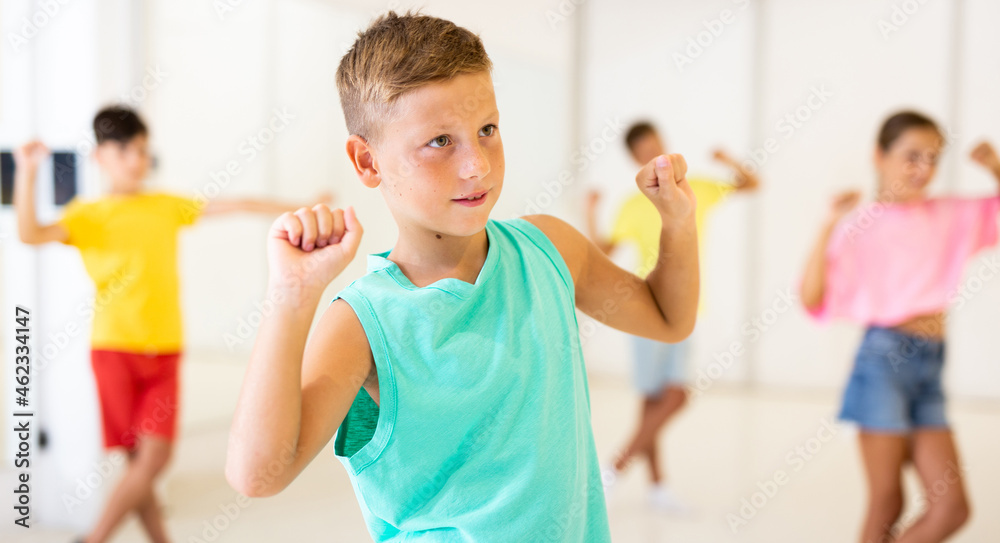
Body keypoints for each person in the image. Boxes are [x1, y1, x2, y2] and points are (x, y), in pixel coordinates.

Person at [225, 12, 700, 541]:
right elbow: (258, 475)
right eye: (440, 142)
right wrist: (293, 297)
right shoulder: (364, 322)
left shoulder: (549, 249)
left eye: (487, 130)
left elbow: (668, 317)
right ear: (367, 161)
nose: (477, 164)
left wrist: (678, 223)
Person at [13, 105, 327, 543]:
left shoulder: (165, 206)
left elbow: (239, 204)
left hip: (165, 350)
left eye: (142, 150)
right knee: (138, 466)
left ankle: (93, 538)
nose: (136, 160)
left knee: (154, 459)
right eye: (124, 151)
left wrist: (304, 207)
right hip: (113, 350)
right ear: (100, 156)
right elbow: (30, 233)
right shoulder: (87, 215)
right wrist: (28, 171)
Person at [800, 110, 1000, 543]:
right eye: (912, 156)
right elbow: (812, 298)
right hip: (883, 363)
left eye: (933, 158)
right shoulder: (859, 224)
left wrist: (996, 168)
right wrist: (826, 225)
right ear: (880, 156)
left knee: (951, 509)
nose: (924, 169)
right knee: (886, 504)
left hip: (929, 368)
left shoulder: (950, 214)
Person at [585, 121, 759, 512]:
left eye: (656, 143)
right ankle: (621, 472)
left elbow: (752, 184)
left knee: (665, 399)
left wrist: (727, 158)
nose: (652, 151)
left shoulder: (694, 189)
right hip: (646, 308)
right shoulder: (632, 205)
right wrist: (590, 211)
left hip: (686, 307)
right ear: (634, 157)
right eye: (643, 148)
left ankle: (642, 481)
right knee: (664, 399)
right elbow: (602, 252)